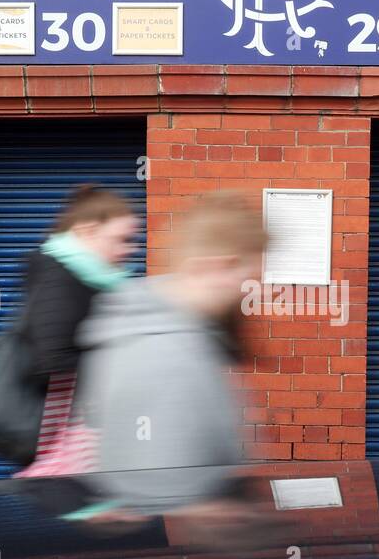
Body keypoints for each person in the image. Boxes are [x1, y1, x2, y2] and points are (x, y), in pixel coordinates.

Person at [67, 192, 267, 523]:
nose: (250, 295)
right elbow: (164, 497)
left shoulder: (141, 323)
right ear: (219, 267)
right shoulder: (167, 352)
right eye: (250, 281)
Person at [14, 185, 139, 478]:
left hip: (82, 436)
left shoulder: (90, 278)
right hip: (65, 439)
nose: (130, 249)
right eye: (122, 240)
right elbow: (53, 358)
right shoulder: (60, 278)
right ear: (87, 231)